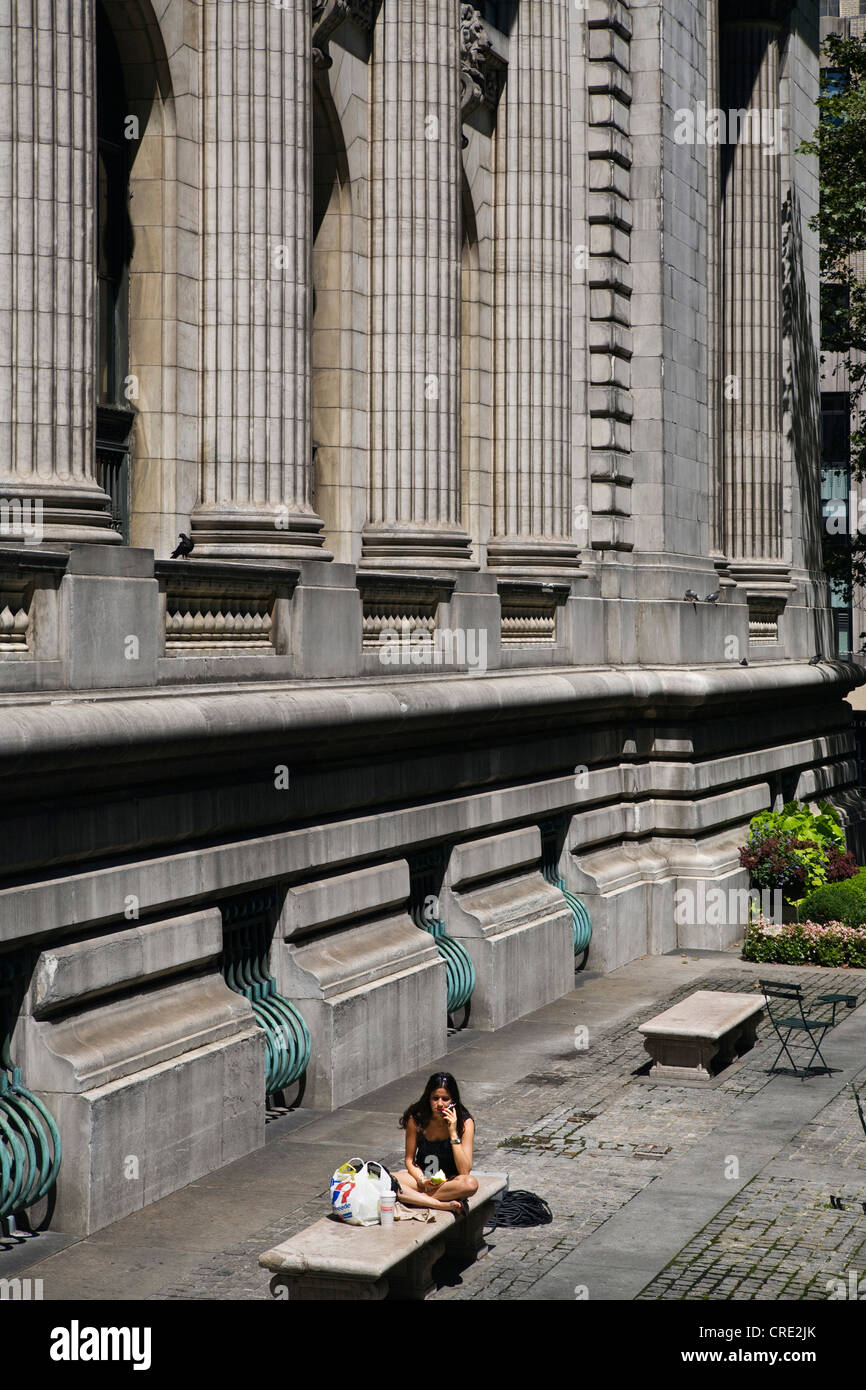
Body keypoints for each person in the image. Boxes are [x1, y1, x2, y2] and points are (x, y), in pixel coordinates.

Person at [394, 1072, 479, 1217]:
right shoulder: (416, 1118)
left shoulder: (465, 1123)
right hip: (423, 1179)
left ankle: (415, 1198)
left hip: (450, 1183)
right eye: (435, 1098)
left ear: (453, 1101)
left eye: (445, 1099)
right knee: (385, 1179)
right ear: (428, 1098)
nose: (440, 1104)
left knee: (470, 1183)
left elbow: (465, 1170)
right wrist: (422, 1180)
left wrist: (453, 1133)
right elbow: (409, 1159)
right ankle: (438, 1204)